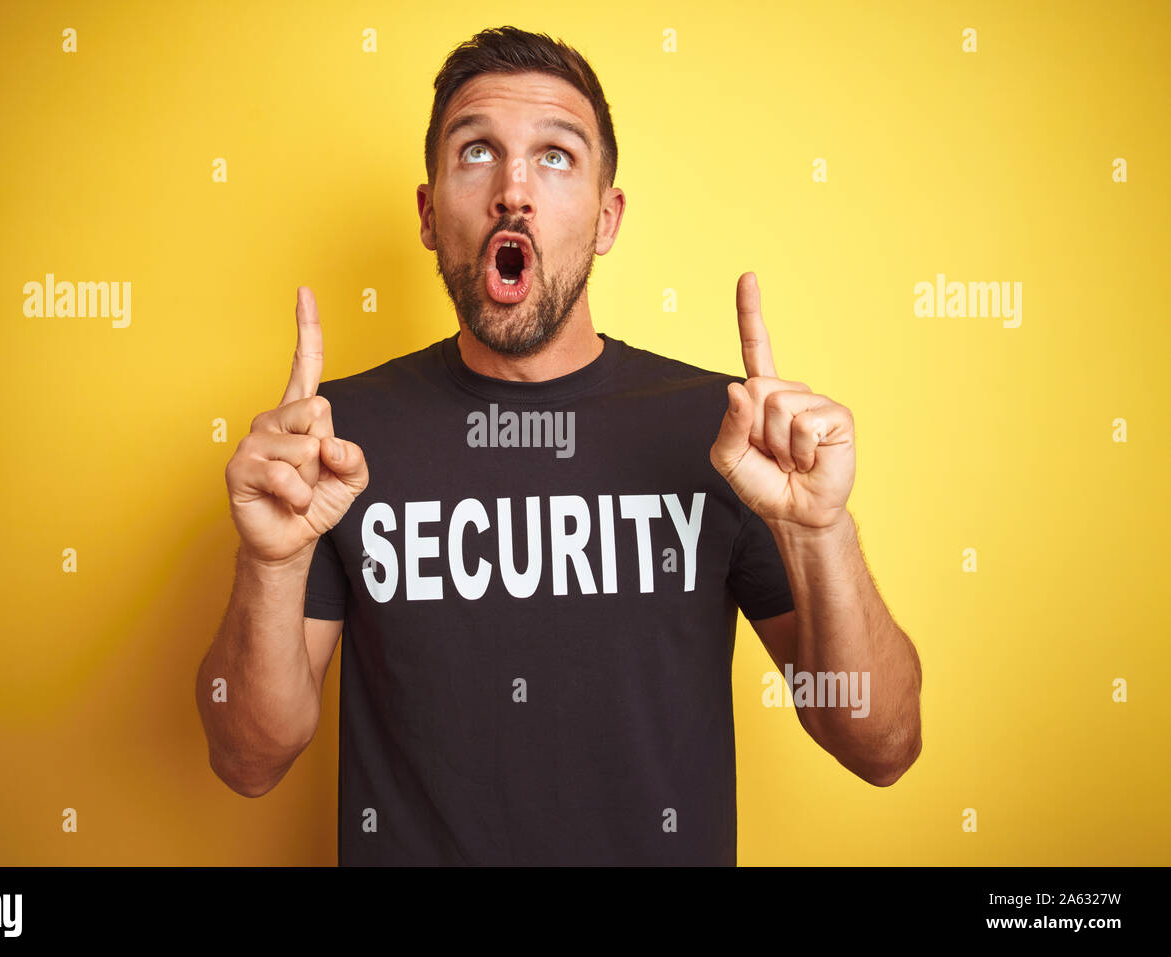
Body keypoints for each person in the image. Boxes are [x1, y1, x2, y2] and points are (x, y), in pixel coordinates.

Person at [196, 26, 922, 866]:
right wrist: (272, 565)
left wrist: (818, 531)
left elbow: (882, 744)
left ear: (607, 218)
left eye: (555, 156)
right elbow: (248, 760)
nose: (514, 191)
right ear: (430, 216)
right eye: (476, 152)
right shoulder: (330, 445)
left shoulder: (731, 436)